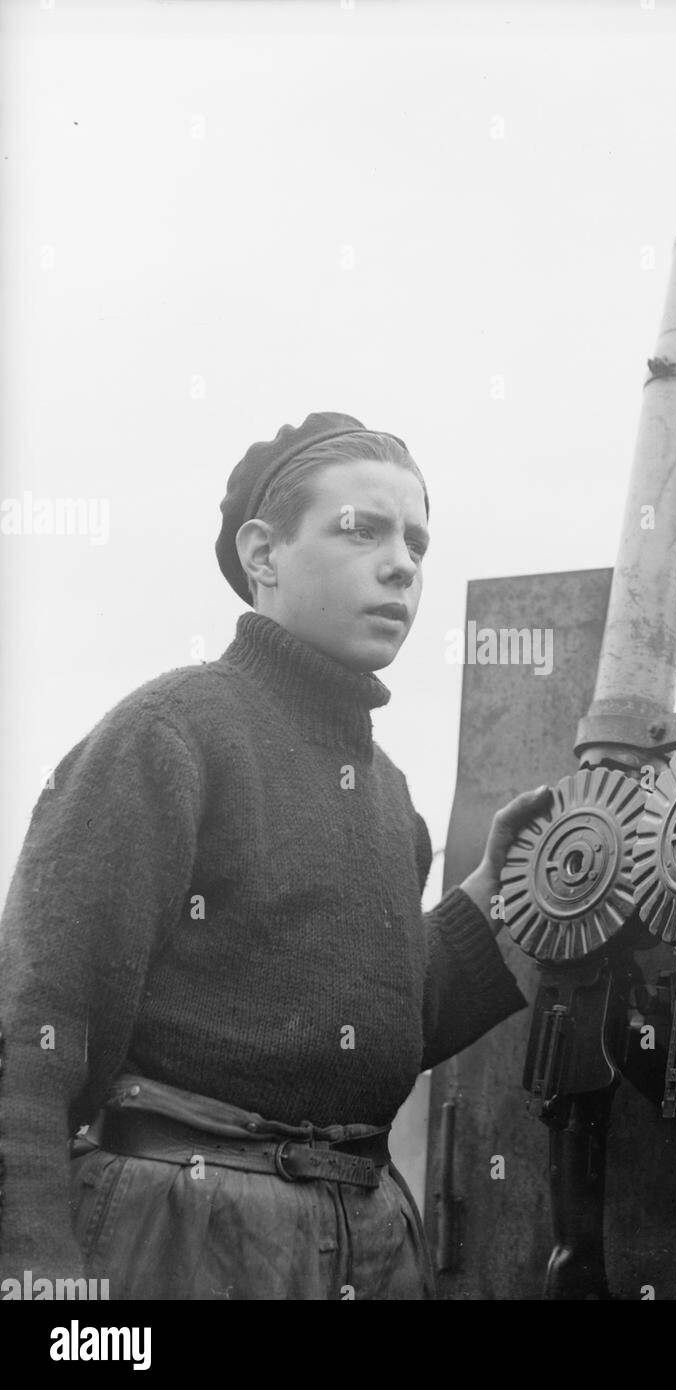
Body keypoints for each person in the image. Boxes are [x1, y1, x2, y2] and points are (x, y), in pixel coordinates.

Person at [0, 411, 549, 1300]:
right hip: (179, 1237)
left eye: (416, 540)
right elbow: (32, 1029)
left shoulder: (392, 797)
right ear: (263, 555)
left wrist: (490, 896)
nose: (403, 563)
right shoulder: (170, 733)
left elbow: (371, 1030)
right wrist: (34, 1281)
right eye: (361, 529)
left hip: (369, 1243)